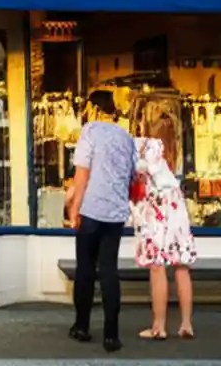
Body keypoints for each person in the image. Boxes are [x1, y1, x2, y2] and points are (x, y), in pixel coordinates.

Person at [66, 89, 137, 353]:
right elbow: (132, 176)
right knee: (109, 270)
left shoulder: (90, 131)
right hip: (116, 212)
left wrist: (74, 209)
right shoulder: (126, 137)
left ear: (94, 108)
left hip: (91, 210)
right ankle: (111, 334)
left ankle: (82, 326)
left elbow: (81, 175)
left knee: (85, 268)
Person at [131, 136, 197, 341]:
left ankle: (159, 326)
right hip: (176, 207)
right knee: (181, 265)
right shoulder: (162, 162)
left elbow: (138, 177)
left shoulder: (135, 151)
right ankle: (186, 324)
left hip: (157, 207)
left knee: (157, 266)